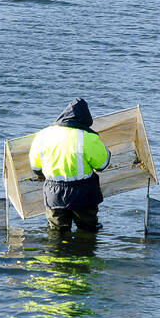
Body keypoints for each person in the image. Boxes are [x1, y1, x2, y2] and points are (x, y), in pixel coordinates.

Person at [29, 98, 110, 233]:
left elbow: (36, 168)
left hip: (54, 194)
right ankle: (84, 251)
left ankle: (58, 251)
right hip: (83, 194)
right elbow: (102, 164)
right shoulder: (87, 137)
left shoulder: (43, 135)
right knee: (87, 231)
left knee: (56, 233)